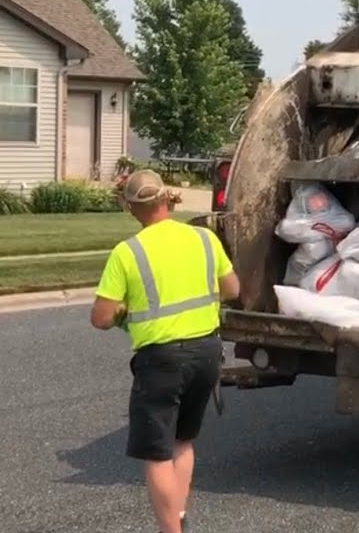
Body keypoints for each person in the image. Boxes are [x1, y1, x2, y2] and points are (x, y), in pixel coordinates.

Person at [89, 169, 240, 533]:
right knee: (183, 441)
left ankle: (169, 530)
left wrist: (125, 311)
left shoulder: (127, 253)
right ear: (167, 199)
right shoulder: (204, 238)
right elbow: (232, 289)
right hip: (206, 351)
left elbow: (101, 317)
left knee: (157, 453)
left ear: (129, 207)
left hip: (161, 360)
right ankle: (180, 515)